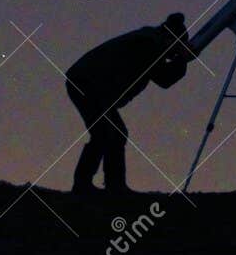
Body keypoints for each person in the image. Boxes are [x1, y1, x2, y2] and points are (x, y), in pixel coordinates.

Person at [66, 12, 192, 193]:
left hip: (90, 83)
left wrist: (180, 58)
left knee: (114, 133)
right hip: (88, 83)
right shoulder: (149, 45)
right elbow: (165, 79)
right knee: (105, 132)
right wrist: (183, 59)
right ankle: (87, 185)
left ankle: (111, 185)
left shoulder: (149, 40)